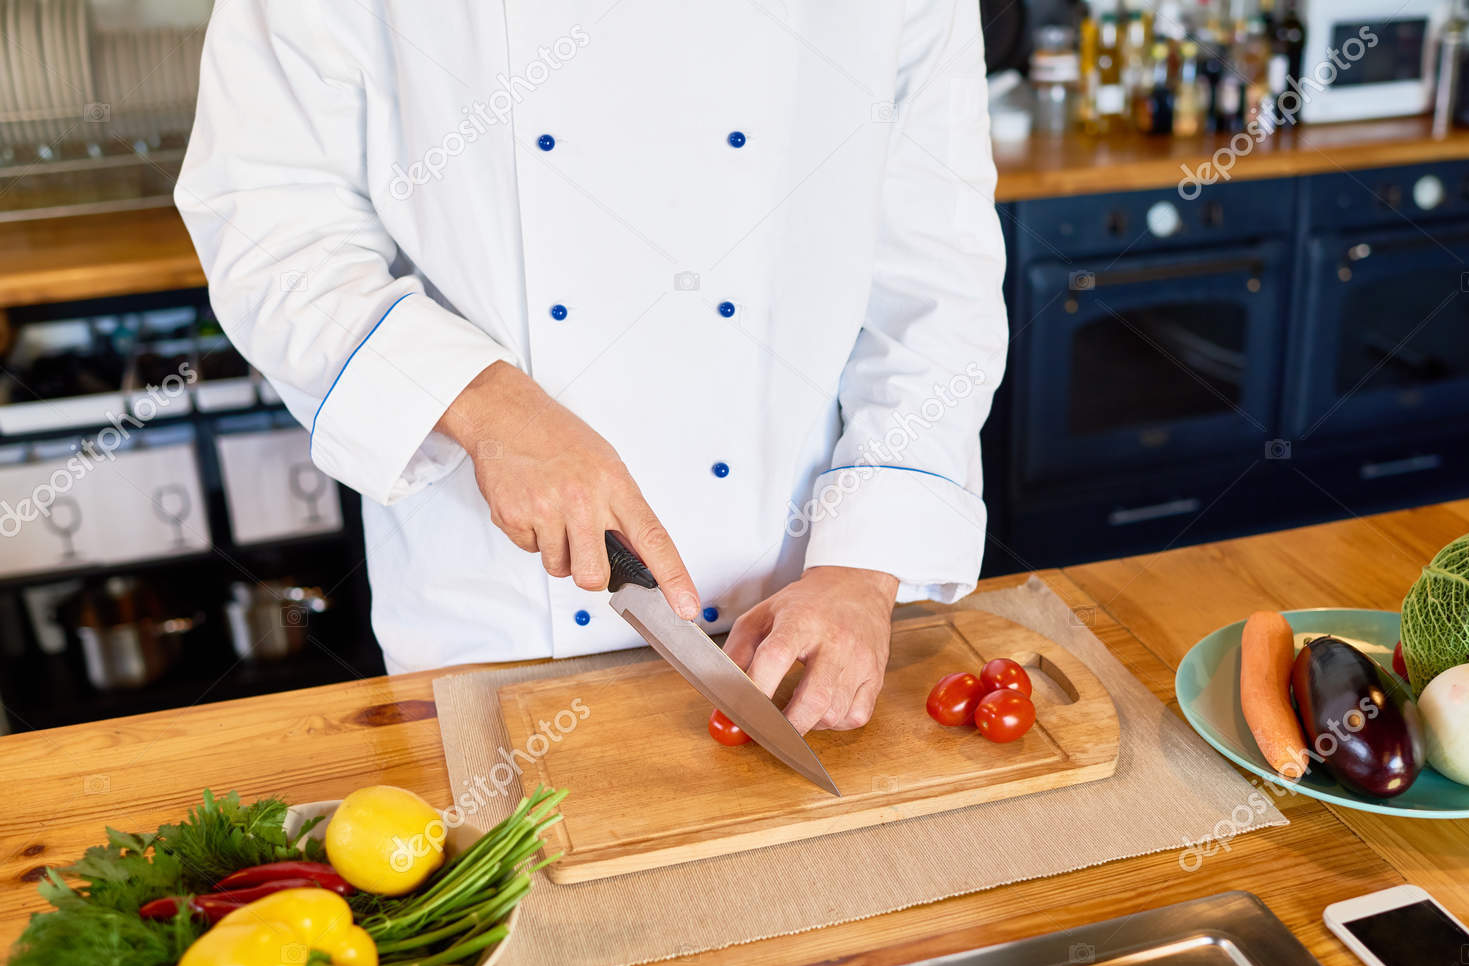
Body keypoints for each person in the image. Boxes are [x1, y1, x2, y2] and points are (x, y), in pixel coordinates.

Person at [178, 0, 1007, 733]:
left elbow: (937, 272)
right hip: (498, 613)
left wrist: (862, 565)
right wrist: (488, 406)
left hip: (801, 597)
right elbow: (265, 222)